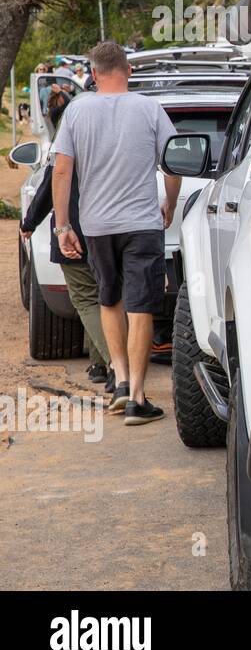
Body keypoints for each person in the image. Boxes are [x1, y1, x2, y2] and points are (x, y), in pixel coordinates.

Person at [51, 42, 180, 426]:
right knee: (141, 306)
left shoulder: (76, 110)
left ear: (93, 74)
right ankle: (139, 398)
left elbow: (61, 172)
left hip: (96, 225)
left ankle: (121, 380)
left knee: (109, 299)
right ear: (128, 70)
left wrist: (62, 226)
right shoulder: (149, 109)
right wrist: (168, 203)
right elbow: (173, 164)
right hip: (141, 223)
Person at [21, 158, 114, 388]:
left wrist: (30, 222)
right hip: (116, 229)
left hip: (75, 230)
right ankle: (99, 364)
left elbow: (53, 181)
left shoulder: (73, 128)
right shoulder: (121, 131)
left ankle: (116, 364)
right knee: (107, 296)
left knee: (85, 299)